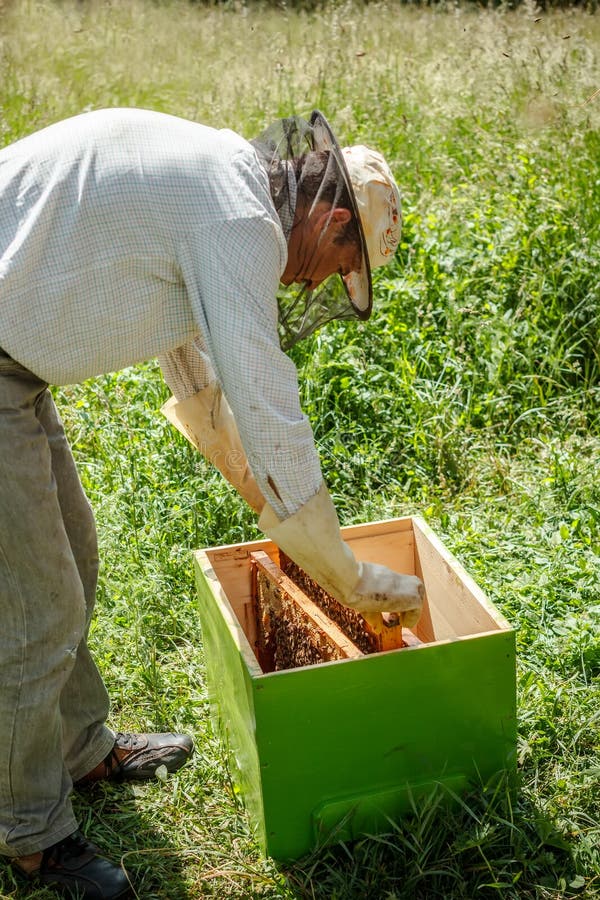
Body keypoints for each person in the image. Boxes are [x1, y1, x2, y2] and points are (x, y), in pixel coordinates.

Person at [0, 107, 423, 899]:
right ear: (330, 218)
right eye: (338, 263)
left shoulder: (222, 181)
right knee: (38, 609)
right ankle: (31, 835)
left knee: (74, 554)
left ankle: (80, 747)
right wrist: (344, 570)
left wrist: (269, 495)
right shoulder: (236, 218)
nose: (321, 283)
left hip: (15, 362)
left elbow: (196, 363)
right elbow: (264, 397)